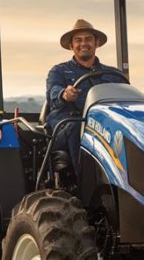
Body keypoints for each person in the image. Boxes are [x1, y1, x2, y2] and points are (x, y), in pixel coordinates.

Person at [45, 19, 126, 172]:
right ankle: (85, 181)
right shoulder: (59, 71)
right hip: (68, 127)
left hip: (104, 127)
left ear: (96, 43)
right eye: (78, 40)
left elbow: (127, 98)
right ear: (71, 45)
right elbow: (53, 93)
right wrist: (64, 94)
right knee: (79, 127)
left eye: (88, 39)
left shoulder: (114, 75)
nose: (83, 43)